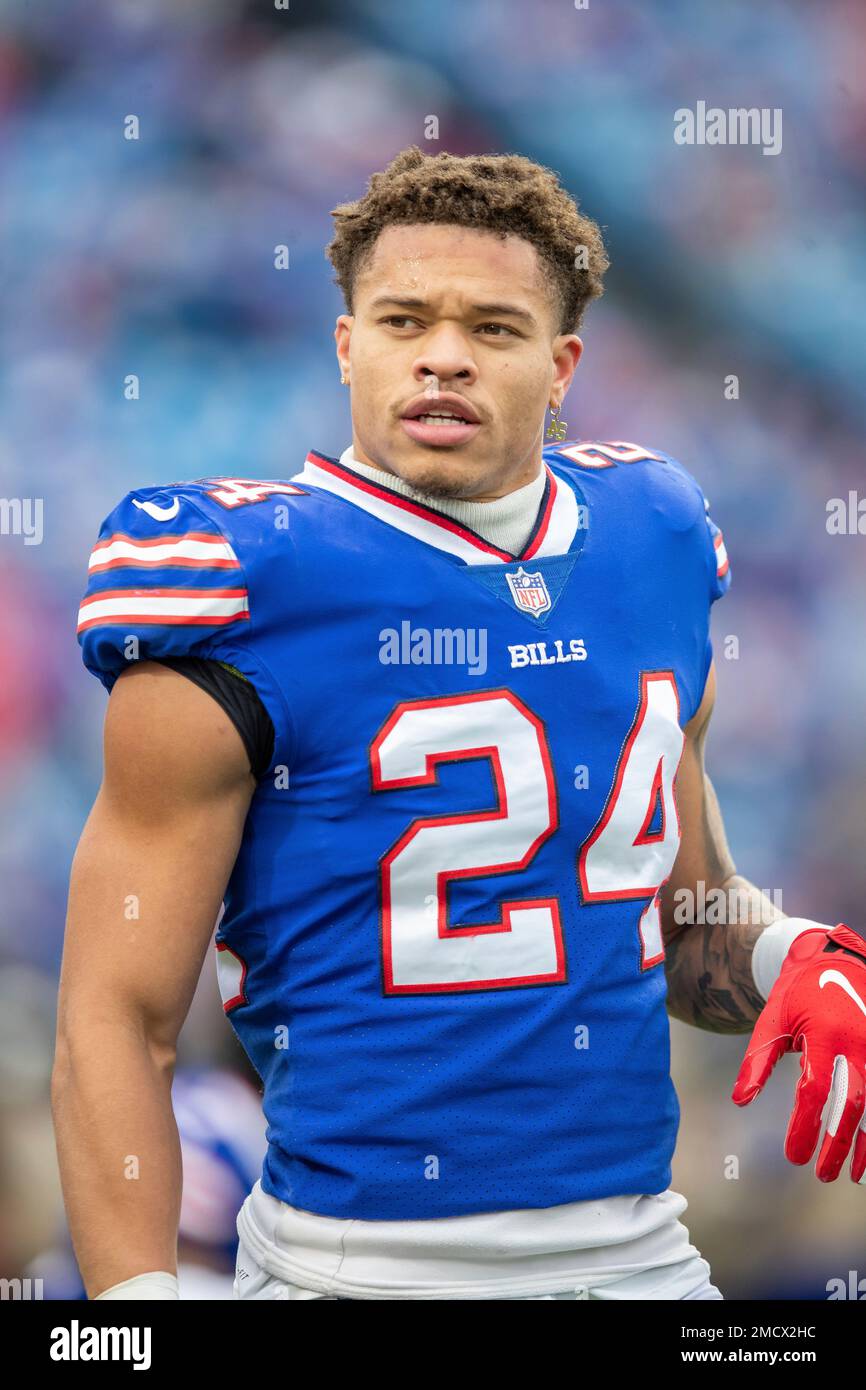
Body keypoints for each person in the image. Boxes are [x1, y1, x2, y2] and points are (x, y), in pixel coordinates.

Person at [53, 147, 866, 1302]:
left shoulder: (653, 537)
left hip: (640, 1258)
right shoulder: (240, 582)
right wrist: (133, 1319)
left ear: (561, 364)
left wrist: (795, 954)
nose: (442, 355)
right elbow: (115, 1015)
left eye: (491, 326)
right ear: (346, 347)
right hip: (358, 1269)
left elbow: (682, 925)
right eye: (402, 320)